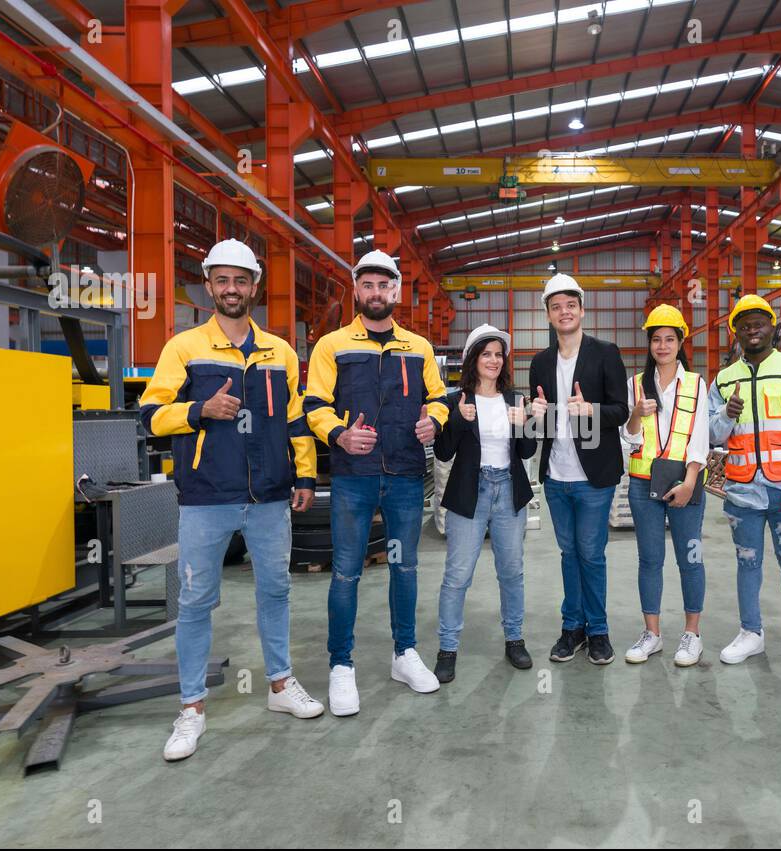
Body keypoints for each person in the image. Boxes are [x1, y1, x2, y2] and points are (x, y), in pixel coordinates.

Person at [139, 238, 323, 762]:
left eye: (241, 280)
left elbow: (295, 422)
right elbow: (149, 416)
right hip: (206, 498)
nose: (232, 289)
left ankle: (281, 686)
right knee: (196, 603)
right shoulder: (184, 348)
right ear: (209, 285)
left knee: (277, 592)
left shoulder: (280, 352)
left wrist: (304, 478)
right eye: (223, 280)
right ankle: (191, 708)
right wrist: (199, 409)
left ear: (255, 287)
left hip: (268, 497)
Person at [304, 250, 450, 715]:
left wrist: (436, 424)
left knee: (404, 568)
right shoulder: (333, 345)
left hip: (406, 474)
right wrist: (339, 435)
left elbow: (440, 399)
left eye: (384, 286)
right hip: (354, 477)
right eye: (367, 285)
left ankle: (404, 654)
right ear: (357, 291)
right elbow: (313, 406)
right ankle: (341, 664)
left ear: (396, 292)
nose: (376, 293)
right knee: (346, 570)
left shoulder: (419, 347)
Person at [707, 294, 781, 679]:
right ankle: (751, 632)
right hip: (742, 492)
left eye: (759, 322)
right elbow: (708, 433)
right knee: (748, 565)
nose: (752, 329)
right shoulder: (724, 379)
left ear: (773, 326)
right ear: (736, 333)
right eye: (743, 325)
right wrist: (726, 417)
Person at [528, 273, 630, 665]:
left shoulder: (605, 353)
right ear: (549, 316)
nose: (564, 312)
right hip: (556, 476)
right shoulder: (540, 362)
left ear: (582, 310)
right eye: (556, 307)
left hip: (594, 477)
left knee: (591, 553)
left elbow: (621, 410)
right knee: (568, 553)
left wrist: (593, 411)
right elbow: (539, 425)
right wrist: (534, 416)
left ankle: (598, 630)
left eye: (570, 304)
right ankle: (573, 628)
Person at [431, 324, 538, 682]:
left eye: (498, 354)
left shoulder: (515, 400)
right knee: (458, 576)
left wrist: (525, 425)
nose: (493, 360)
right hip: (470, 492)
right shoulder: (455, 401)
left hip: (508, 490)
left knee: (512, 572)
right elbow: (444, 452)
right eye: (486, 353)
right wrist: (459, 422)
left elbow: (527, 451)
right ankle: (447, 648)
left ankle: (514, 639)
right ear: (472, 359)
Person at [621, 305, 710, 667]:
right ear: (649, 344)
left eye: (669, 339)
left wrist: (690, 481)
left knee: (690, 559)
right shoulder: (635, 384)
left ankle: (692, 635)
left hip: (686, 484)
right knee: (650, 560)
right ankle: (652, 635)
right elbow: (627, 439)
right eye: (656, 339)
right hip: (644, 486)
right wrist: (635, 414)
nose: (662, 346)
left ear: (680, 342)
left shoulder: (696, 383)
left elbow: (700, 436)